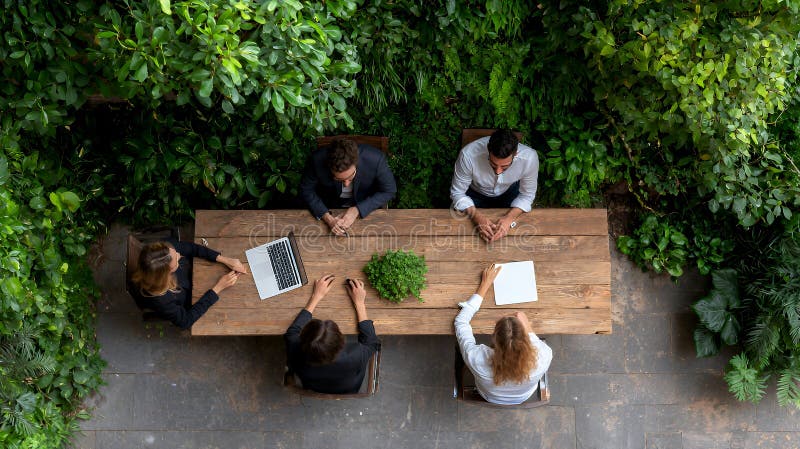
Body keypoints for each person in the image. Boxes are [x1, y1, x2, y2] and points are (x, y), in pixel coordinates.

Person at [454, 264, 553, 405]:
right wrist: (526, 324)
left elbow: (460, 322)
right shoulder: (543, 356)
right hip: (522, 396)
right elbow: (533, 339)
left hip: (489, 396)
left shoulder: (476, 358)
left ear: (494, 338)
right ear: (525, 339)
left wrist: (484, 285)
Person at [284, 275, 380, 394]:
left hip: (313, 386)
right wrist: (360, 303)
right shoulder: (356, 356)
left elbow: (293, 331)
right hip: (349, 389)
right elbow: (372, 342)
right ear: (342, 342)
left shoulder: (294, 348)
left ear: (303, 338)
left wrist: (316, 297)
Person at [130, 240, 246, 329]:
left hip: (191, 277)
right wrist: (218, 288)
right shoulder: (162, 301)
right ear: (166, 275)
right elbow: (185, 321)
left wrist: (224, 259)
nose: (179, 254)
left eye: (175, 252)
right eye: (176, 259)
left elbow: (190, 247)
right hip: (191, 300)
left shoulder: (163, 252)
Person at [450, 129, 539, 243]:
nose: (498, 171)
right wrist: (476, 217)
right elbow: (457, 193)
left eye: (505, 167)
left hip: (509, 193)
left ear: (515, 153)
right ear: (488, 149)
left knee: (515, 238)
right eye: (493, 164)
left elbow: (527, 195)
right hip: (475, 194)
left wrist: (509, 218)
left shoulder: (529, 158)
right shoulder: (467, 155)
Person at [299, 138, 397, 236]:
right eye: (339, 179)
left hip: (365, 207)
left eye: (350, 177)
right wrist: (328, 218)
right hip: (328, 207)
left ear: (356, 163)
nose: (346, 184)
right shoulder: (317, 160)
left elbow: (389, 190)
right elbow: (306, 190)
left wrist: (357, 210)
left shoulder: (376, 159)